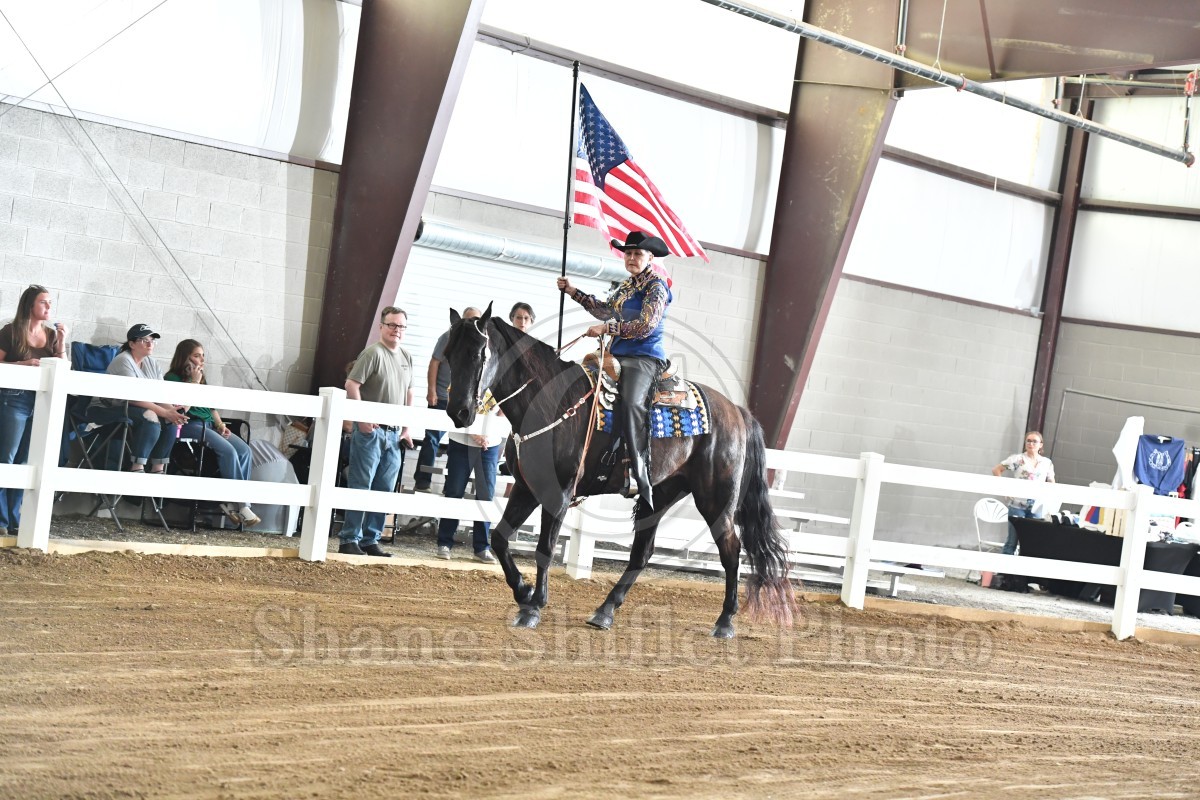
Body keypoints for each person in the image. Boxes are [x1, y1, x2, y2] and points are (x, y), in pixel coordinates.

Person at [557, 231, 671, 509]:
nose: (631, 258)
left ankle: (639, 471)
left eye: (637, 254)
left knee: (632, 403)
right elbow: (606, 310)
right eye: (628, 253)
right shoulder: (626, 287)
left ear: (650, 258)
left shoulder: (656, 286)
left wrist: (609, 328)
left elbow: (646, 325)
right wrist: (574, 292)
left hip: (644, 357)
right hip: (616, 354)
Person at [339, 306, 414, 557]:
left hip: (393, 434)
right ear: (381, 326)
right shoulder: (372, 353)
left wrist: (406, 428)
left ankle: (371, 539)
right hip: (372, 431)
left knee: (384, 487)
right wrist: (362, 418)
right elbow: (351, 383)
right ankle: (350, 538)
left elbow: (409, 393)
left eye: (400, 326)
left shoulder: (406, 357)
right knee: (362, 484)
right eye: (392, 325)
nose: (396, 330)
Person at [164, 339, 260, 527]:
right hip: (188, 424)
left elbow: (211, 407)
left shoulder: (202, 378)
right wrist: (194, 383)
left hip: (208, 424)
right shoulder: (172, 378)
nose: (201, 360)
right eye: (196, 355)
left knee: (244, 450)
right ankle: (242, 504)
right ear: (185, 357)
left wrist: (220, 424)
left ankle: (233, 502)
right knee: (228, 451)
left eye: (202, 356)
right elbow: (181, 408)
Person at [0, 285, 67, 535]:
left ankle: (15, 516)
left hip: (40, 402)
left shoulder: (50, 335)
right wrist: (22, 364)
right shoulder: (11, 331)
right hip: (13, 399)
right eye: (43, 303)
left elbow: (62, 368)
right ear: (30, 305)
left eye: (50, 303)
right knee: (6, 457)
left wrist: (62, 341)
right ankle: (1, 519)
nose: (48, 307)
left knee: (27, 460)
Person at [86, 324, 188, 473]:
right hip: (106, 409)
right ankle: (137, 467)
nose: (150, 343)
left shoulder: (152, 363)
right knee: (151, 416)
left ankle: (157, 469)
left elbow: (159, 395)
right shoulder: (123, 360)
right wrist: (165, 412)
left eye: (152, 340)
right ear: (132, 344)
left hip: (135, 408)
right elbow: (132, 398)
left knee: (171, 421)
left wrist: (172, 411)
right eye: (144, 340)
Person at [415, 307, 481, 492]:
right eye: (468, 319)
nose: (471, 323)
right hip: (442, 397)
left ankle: (450, 486)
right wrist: (431, 390)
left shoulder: (480, 340)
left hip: (463, 401)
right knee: (431, 438)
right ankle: (422, 481)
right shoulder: (448, 336)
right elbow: (434, 362)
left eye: (475, 319)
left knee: (457, 443)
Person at [435, 391, 505, 562]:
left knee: (486, 495)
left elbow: (504, 407)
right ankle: (444, 543)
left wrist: (495, 430)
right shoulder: (465, 372)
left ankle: (481, 547)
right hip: (461, 441)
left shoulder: (499, 378)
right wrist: (475, 433)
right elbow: (455, 406)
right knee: (454, 491)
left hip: (490, 444)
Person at [992, 431, 1056, 555]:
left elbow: (1051, 481)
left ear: (1041, 445)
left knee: (1031, 542)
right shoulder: (1018, 459)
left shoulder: (1046, 462)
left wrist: (1049, 499)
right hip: (1017, 505)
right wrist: (1004, 489)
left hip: (1037, 507)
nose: (1031, 443)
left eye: (1034, 441)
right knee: (1012, 541)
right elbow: (996, 470)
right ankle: (1004, 572)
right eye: (1028, 441)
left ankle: (1023, 573)